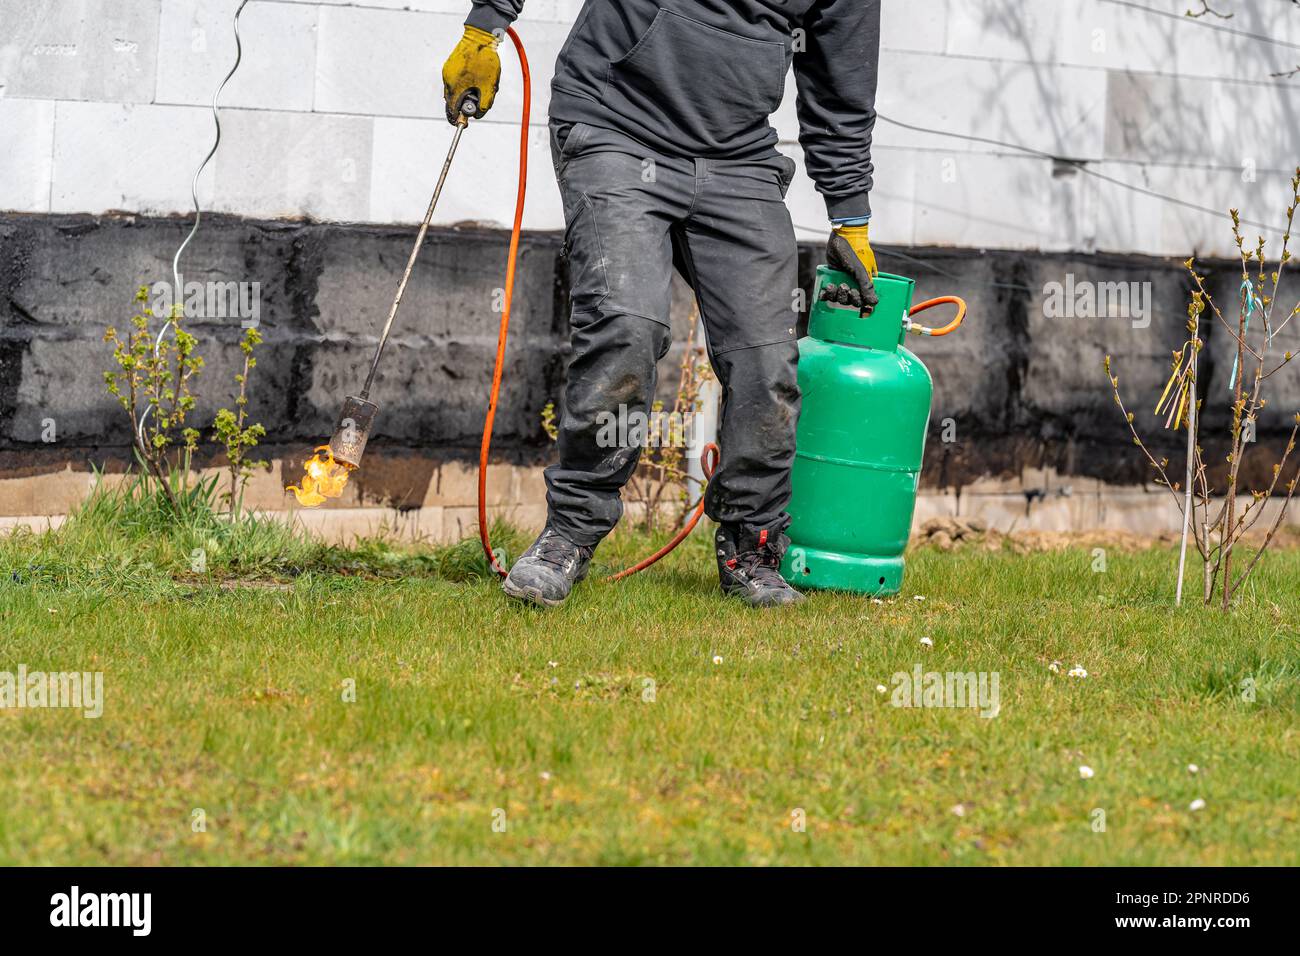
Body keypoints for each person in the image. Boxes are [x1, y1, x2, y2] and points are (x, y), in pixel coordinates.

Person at [442, 0, 881, 607]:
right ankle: (570, 532)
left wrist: (850, 215)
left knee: (767, 364)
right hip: (614, 122)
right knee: (626, 326)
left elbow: (842, 78)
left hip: (739, 158)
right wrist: (484, 27)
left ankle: (751, 547)